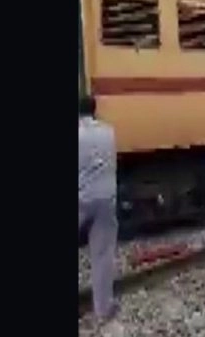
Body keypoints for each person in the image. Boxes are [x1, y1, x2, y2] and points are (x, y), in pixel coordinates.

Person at [79, 95, 120, 322]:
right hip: (106, 198)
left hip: (81, 198)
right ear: (94, 110)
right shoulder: (108, 132)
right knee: (103, 254)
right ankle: (103, 309)